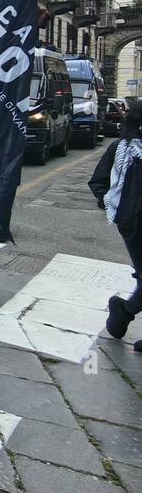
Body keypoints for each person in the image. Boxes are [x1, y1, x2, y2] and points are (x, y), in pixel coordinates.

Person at [90, 102, 142, 352]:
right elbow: (98, 181)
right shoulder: (121, 149)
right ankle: (122, 313)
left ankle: (123, 312)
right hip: (134, 223)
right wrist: (113, 204)